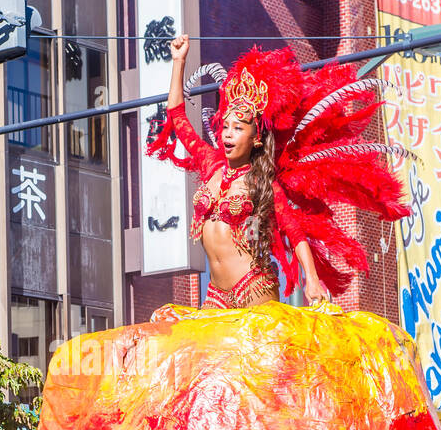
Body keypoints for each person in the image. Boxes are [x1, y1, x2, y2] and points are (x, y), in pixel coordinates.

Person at [147, 37, 411, 311]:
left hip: (252, 287)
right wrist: (178, 62)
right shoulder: (210, 162)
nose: (227, 134)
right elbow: (177, 116)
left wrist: (312, 279)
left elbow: (294, 232)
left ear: (255, 138)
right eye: (225, 126)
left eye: (238, 128)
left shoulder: (264, 182)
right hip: (214, 294)